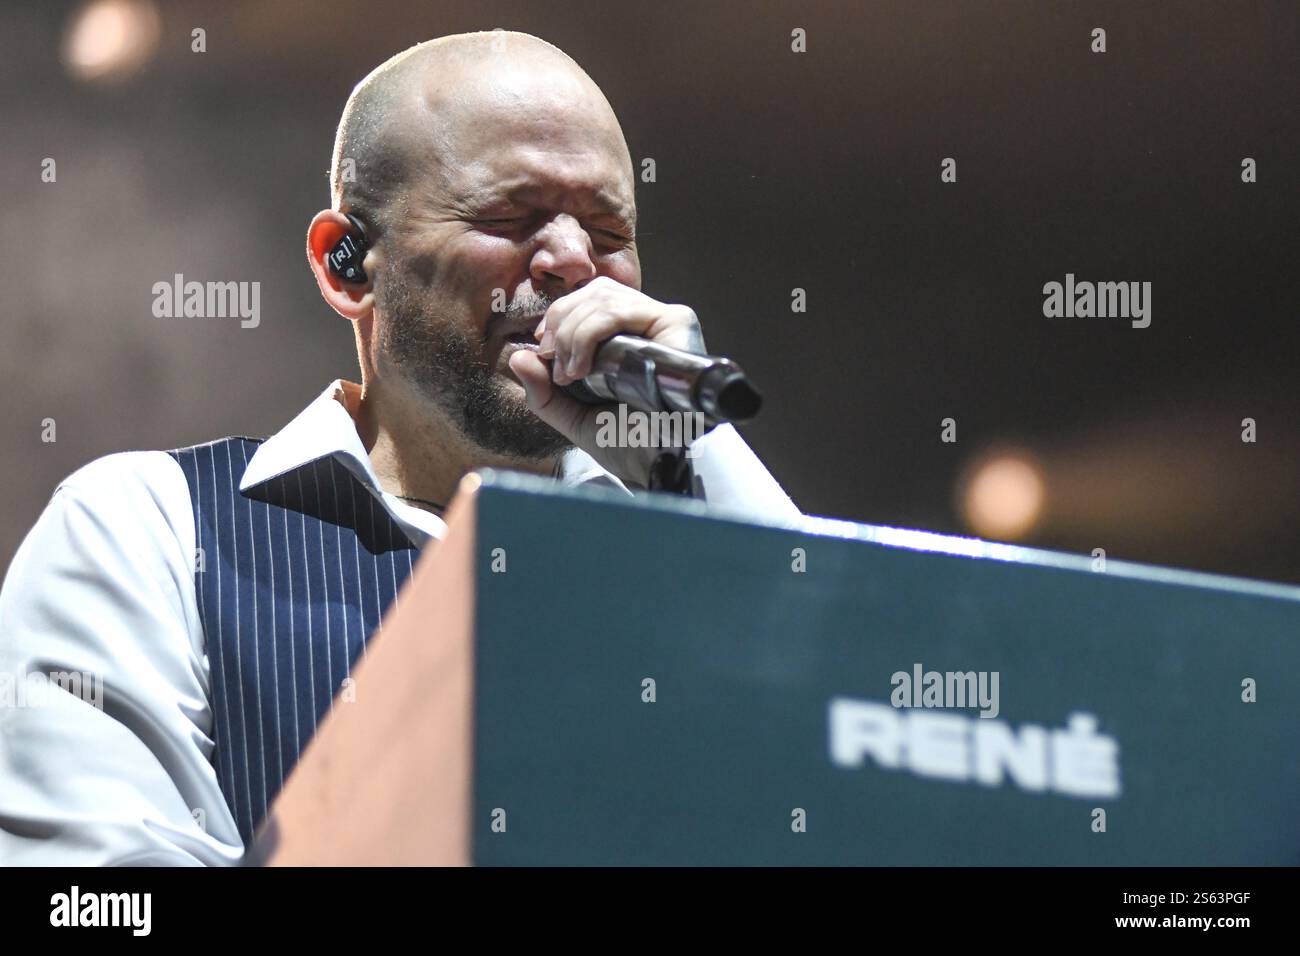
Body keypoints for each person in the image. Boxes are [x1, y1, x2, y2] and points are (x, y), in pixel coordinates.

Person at [0, 31, 797, 865]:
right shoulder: (145, 533)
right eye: (509, 216)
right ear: (348, 266)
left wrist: (690, 453)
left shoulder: (682, 545)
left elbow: (856, 773)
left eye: (607, 228)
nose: (572, 263)